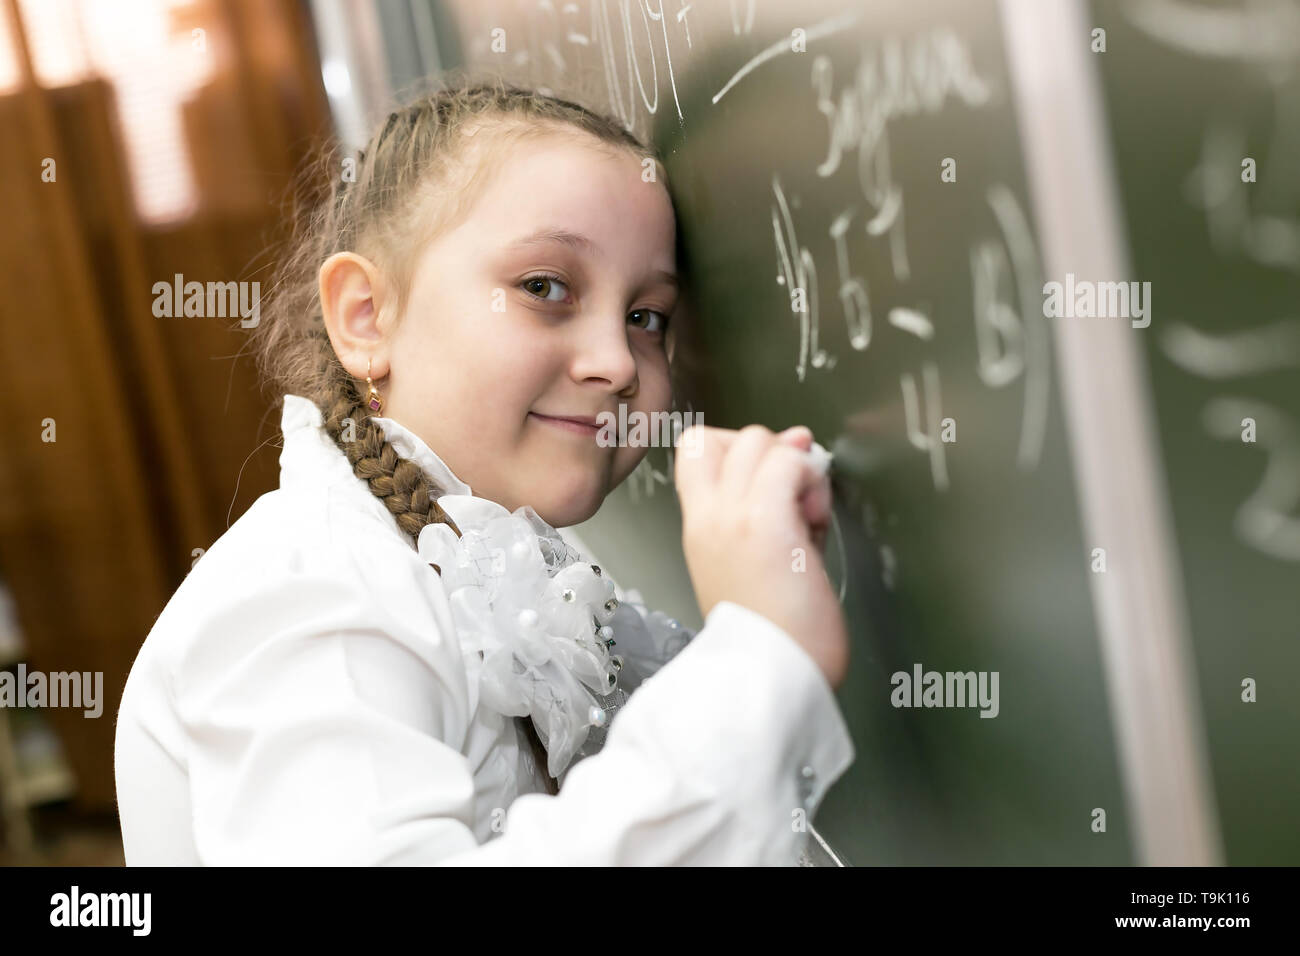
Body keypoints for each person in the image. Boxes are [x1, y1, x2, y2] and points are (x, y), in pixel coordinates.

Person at [114, 77, 853, 865]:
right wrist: (759, 659)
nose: (615, 362)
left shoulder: (510, 577)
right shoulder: (309, 594)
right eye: (543, 288)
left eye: (647, 319)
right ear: (366, 318)